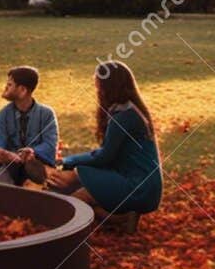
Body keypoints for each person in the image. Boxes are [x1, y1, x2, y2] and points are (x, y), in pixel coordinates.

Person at [49, 61, 161, 219]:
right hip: (137, 182)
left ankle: (54, 219)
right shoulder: (128, 110)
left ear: (109, 87)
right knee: (77, 188)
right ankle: (121, 219)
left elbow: (104, 156)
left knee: (77, 197)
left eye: (99, 86)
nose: (97, 91)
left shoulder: (125, 117)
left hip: (138, 187)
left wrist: (69, 161)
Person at [0, 65, 58, 186]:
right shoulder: (4, 114)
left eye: (10, 85)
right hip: (10, 164)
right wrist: (0, 152)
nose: (5, 88)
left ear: (22, 90)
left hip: (35, 164)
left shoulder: (46, 114)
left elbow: (50, 145)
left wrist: (32, 151)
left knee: (31, 167)